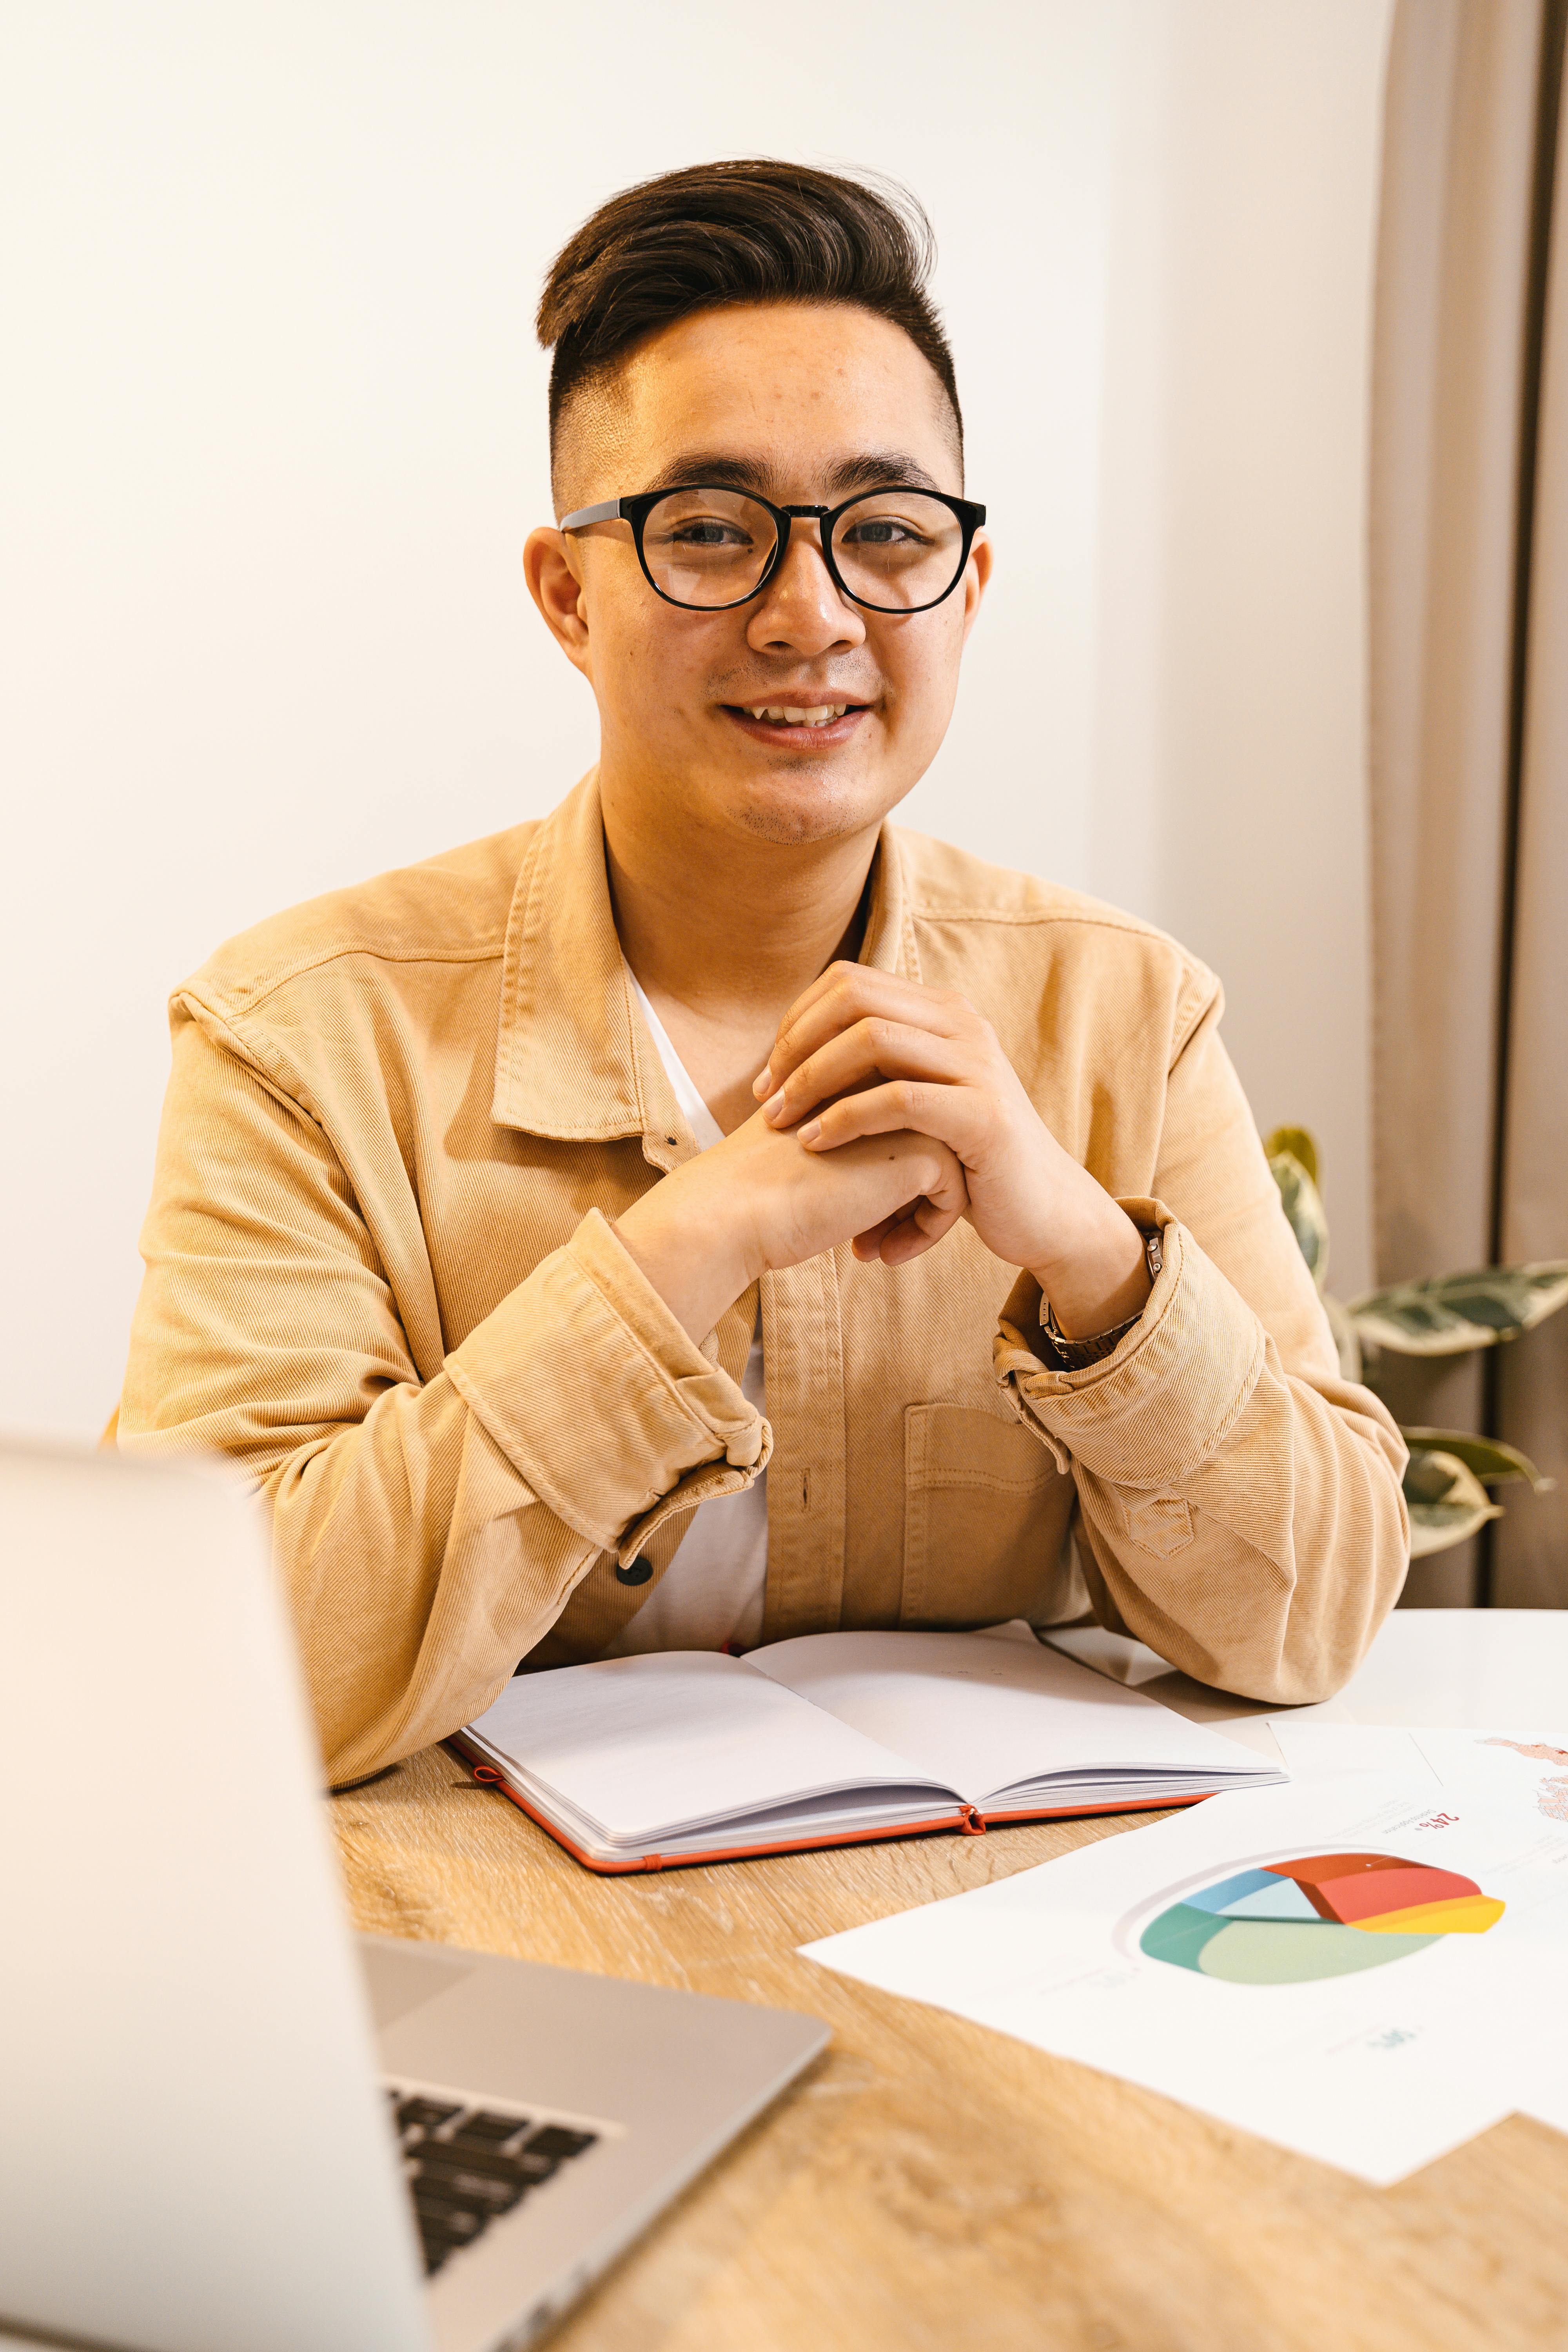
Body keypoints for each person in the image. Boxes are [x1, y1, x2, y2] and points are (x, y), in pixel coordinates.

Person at [119, 161, 1408, 1786]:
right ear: (567, 594)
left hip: (995, 1932)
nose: (811, 616)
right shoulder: (298, 1034)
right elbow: (226, 1671)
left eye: (884, 533)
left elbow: (1313, 1623)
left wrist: (1087, 1258)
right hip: (503, 1974)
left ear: (967, 587)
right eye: (712, 530)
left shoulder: (1126, 1016)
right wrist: (684, 1247)